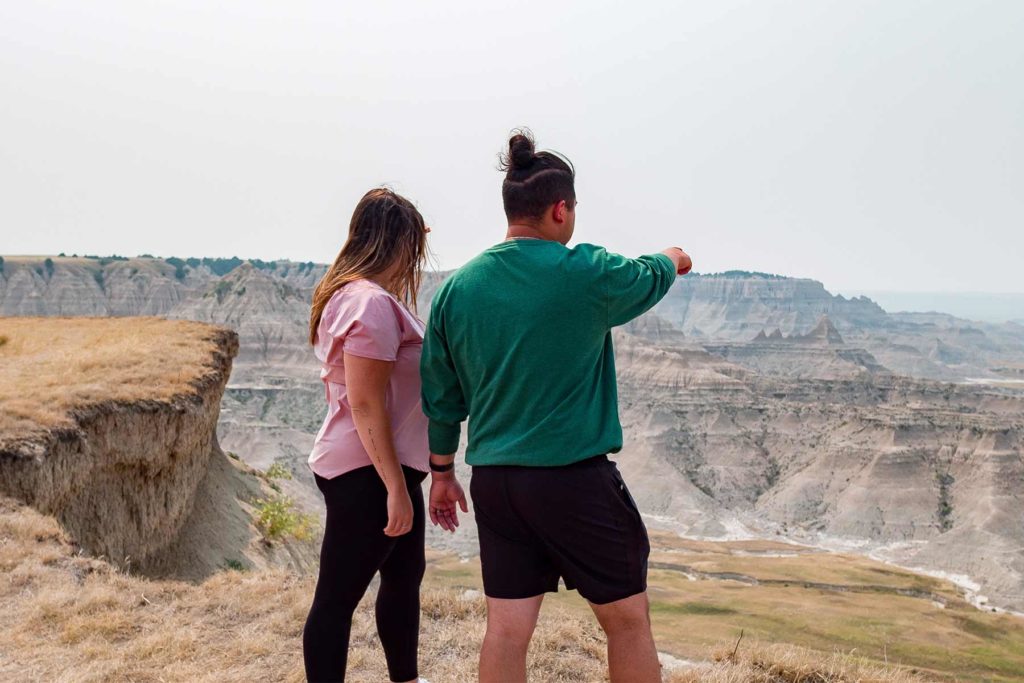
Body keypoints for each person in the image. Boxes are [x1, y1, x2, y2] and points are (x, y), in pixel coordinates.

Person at [421, 130, 692, 683]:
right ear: (561, 209)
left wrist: (443, 472)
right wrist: (675, 256)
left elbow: (442, 395)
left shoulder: (457, 289)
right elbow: (650, 273)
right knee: (628, 623)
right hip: (572, 482)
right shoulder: (586, 273)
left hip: (496, 482)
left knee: (506, 631)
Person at [303, 188, 432, 683]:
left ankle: (407, 678)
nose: (412, 263)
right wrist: (395, 489)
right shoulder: (370, 303)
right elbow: (364, 401)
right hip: (371, 474)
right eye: (412, 249)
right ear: (393, 243)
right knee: (337, 599)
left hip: (385, 468)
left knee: (403, 579)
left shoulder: (355, 295)